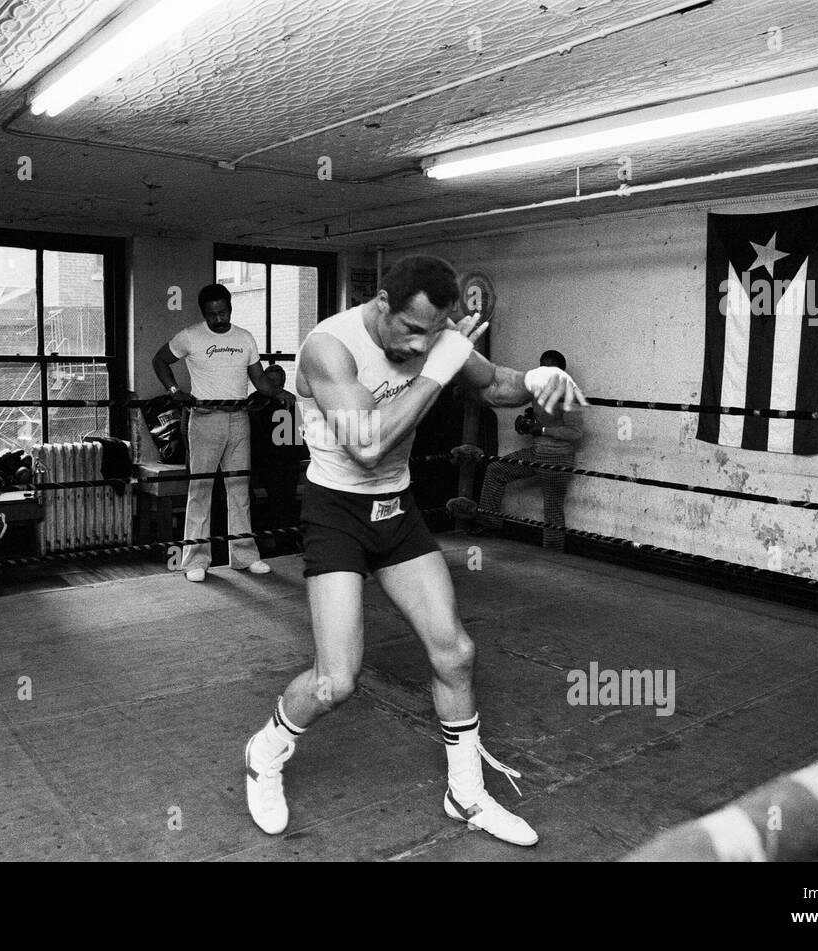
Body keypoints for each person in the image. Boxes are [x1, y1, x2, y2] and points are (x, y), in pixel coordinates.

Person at [242, 255, 586, 847]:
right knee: (338, 680)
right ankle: (265, 749)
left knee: (455, 653)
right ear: (383, 305)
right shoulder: (331, 348)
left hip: (397, 512)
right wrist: (438, 368)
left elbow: (494, 383)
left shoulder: (437, 336)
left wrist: (534, 380)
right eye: (411, 330)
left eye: (434, 332)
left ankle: (466, 792)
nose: (422, 342)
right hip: (337, 514)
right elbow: (368, 447)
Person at [152, 283, 288, 582]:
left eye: (223, 312)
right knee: (200, 491)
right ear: (204, 313)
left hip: (239, 419)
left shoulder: (245, 338)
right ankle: (195, 562)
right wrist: (174, 390)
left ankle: (244, 556)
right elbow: (159, 360)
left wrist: (281, 393)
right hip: (204, 419)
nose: (219, 319)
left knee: (239, 490)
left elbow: (260, 381)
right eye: (212, 314)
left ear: (230, 308)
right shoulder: (190, 336)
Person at [478, 350, 583, 549]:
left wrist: (542, 429)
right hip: (536, 454)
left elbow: (575, 433)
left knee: (552, 510)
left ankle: (553, 556)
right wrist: (527, 422)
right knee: (495, 470)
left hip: (558, 459)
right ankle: (489, 525)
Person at [247, 364, 307, 531]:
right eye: (270, 381)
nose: (274, 386)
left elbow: (295, 437)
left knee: (284, 499)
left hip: (282, 461)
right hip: (263, 461)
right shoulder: (253, 402)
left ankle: (283, 536)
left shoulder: (287, 401)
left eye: (278, 383)